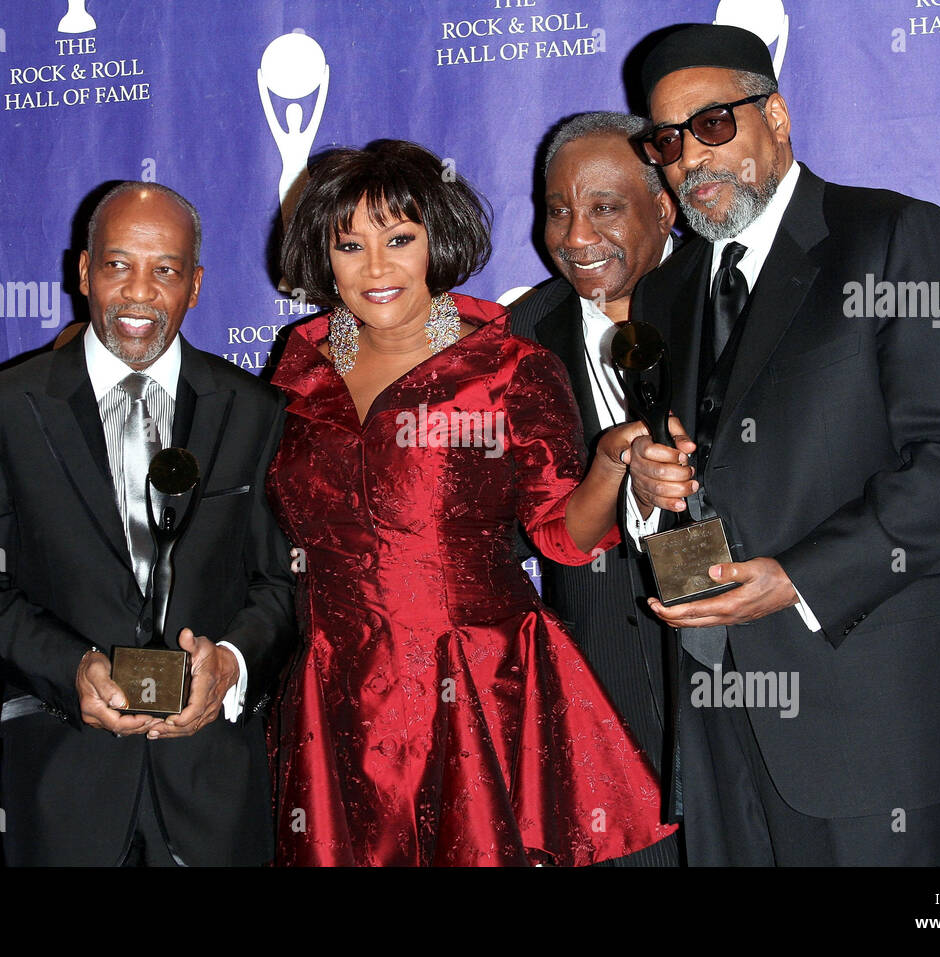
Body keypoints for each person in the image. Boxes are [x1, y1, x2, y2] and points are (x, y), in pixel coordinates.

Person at [626, 23, 940, 865]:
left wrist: (797, 578)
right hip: (718, 710)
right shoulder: (663, 292)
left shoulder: (891, 236)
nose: (692, 157)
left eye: (714, 124)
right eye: (667, 141)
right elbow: (691, 477)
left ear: (777, 116)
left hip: (872, 711)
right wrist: (646, 486)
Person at [267, 139, 686, 866]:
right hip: (332, 695)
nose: (376, 268)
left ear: (440, 240)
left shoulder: (505, 367)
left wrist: (609, 465)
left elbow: (561, 536)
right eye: (349, 245)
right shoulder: (298, 368)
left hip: (472, 688)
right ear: (321, 255)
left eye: (400, 239)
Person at [0, 182, 297, 866]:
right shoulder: (0, 409)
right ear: (82, 271)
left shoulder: (255, 412)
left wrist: (231, 665)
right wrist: (70, 668)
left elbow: (283, 584)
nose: (138, 292)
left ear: (195, 284)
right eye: (117, 264)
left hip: (214, 789)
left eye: (166, 270)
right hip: (62, 785)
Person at [509, 111, 680, 867]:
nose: (575, 236)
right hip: (598, 694)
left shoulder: (738, 303)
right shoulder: (515, 341)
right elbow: (508, 525)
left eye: (605, 207)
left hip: (756, 680)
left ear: (664, 208)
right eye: (557, 210)